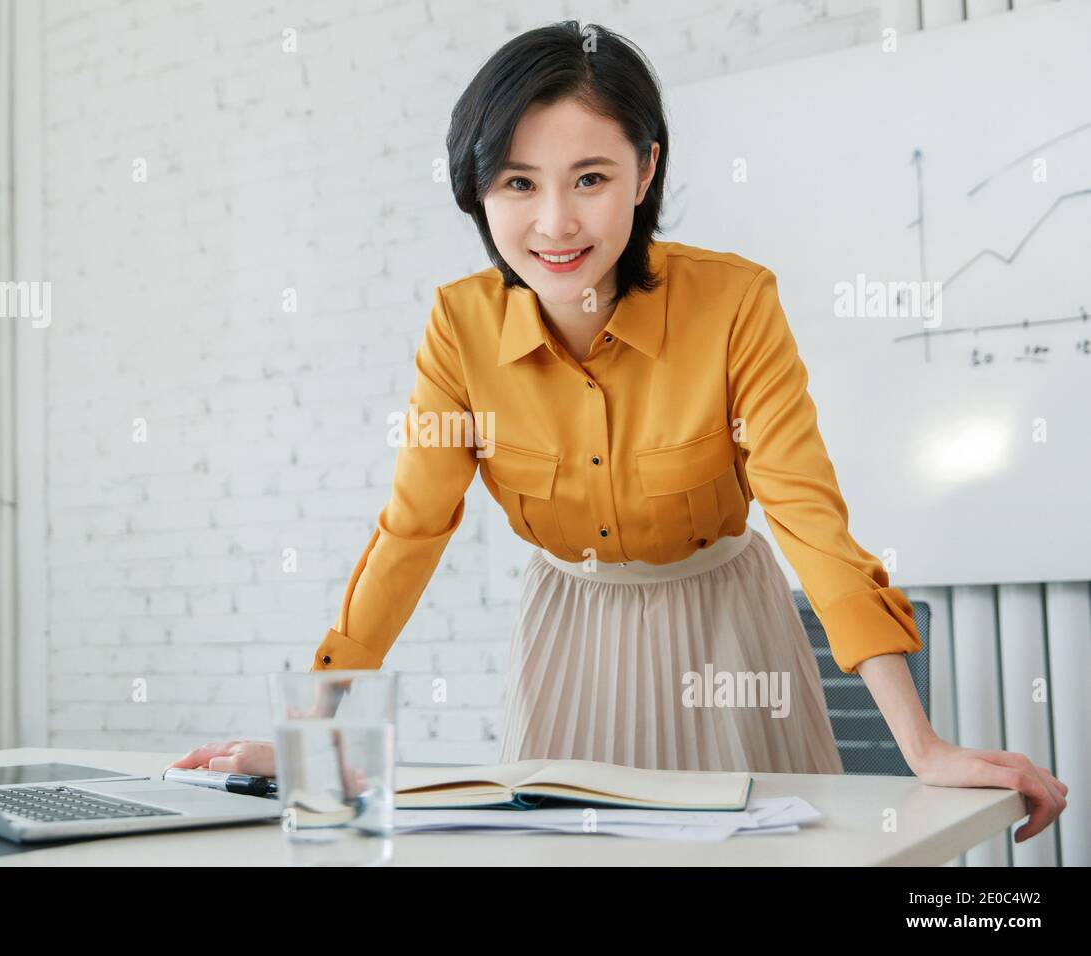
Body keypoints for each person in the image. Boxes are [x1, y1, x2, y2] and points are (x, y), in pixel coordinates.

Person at [173, 20, 1066, 842]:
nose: (555, 223)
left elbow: (808, 520)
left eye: (590, 179)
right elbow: (411, 532)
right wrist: (307, 740)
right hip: (569, 633)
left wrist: (920, 745)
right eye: (518, 183)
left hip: (727, 628)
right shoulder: (459, 327)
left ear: (644, 173)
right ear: (476, 190)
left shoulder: (734, 302)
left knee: (757, 854)